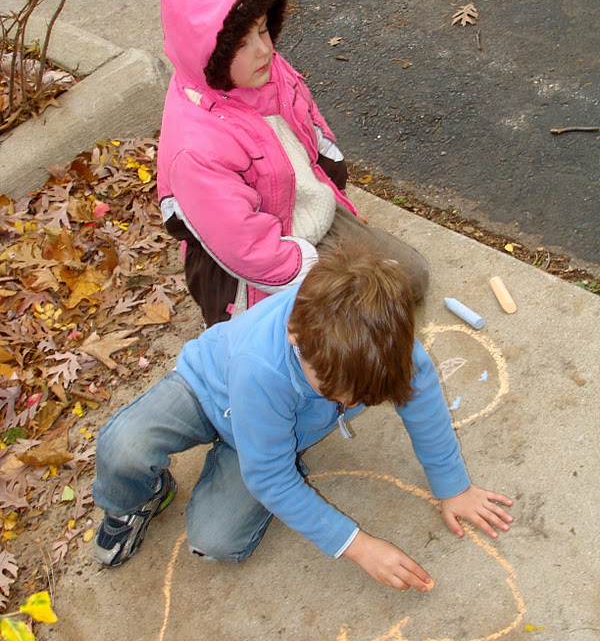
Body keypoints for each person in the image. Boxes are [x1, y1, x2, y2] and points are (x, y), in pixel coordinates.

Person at [92, 247, 513, 591]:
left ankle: (260, 449)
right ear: (294, 333)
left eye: (360, 394)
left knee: (214, 541)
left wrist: (452, 485)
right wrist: (359, 546)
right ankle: (141, 497)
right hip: (209, 390)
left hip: (266, 427)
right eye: (333, 389)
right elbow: (270, 478)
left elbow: (422, 403)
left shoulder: (385, 343)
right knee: (124, 447)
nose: (348, 401)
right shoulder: (261, 365)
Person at [157, 0, 429, 327]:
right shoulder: (196, 148)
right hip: (256, 269)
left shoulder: (265, 70)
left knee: (410, 278)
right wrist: (324, 271)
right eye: (242, 43)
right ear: (209, 53)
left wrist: (337, 200)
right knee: (359, 334)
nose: (265, 49)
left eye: (264, 29)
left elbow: (313, 132)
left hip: (308, 216)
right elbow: (247, 249)